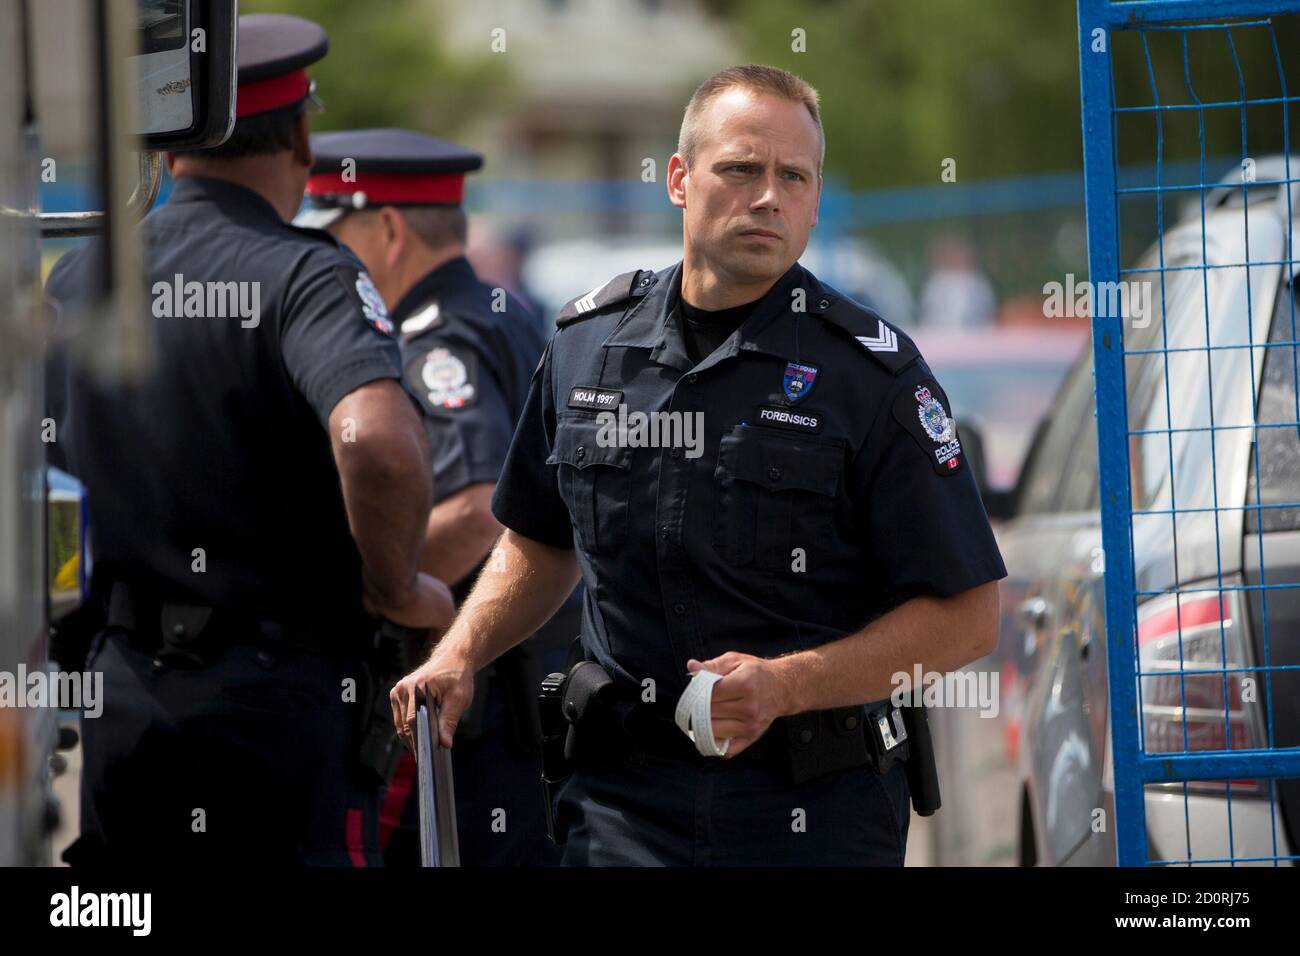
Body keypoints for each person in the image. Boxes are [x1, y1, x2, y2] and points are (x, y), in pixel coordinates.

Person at [392, 64, 1005, 866]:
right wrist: (460, 653)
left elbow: (967, 617)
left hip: (813, 812)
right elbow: (542, 538)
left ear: (816, 202)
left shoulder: (870, 378)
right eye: (741, 168)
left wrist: (786, 686)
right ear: (680, 179)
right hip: (621, 808)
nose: (768, 197)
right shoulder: (588, 347)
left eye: (794, 177)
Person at [44, 14, 452, 866]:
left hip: (122, 703)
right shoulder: (305, 273)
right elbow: (377, 439)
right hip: (276, 707)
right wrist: (397, 585)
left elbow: (43, 481)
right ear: (302, 135)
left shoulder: (82, 274)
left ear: (167, 143)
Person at [298, 128, 565, 866]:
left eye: (336, 236)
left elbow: (479, 507)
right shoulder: (499, 313)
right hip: (519, 688)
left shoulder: (434, 340)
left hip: (483, 700)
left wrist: (381, 590)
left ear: (385, 230)